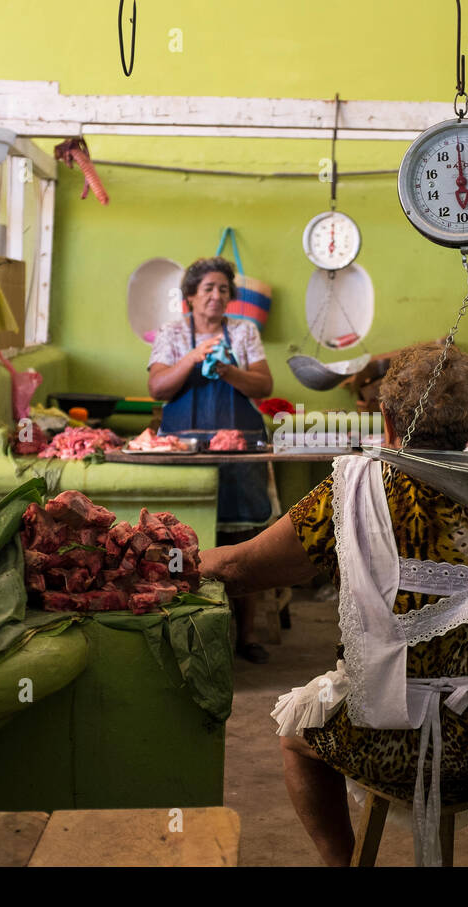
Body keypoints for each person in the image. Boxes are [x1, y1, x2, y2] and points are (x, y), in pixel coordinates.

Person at [200, 342, 468, 865]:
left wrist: (173, 561)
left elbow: (238, 568)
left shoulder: (348, 493)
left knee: (295, 731)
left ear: (388, 421)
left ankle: (341, 861)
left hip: (389, 747)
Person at [148, 257, 276, 663]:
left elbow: (263, 384)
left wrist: (225, 368)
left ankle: (247, 637)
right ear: (190, 296)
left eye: (224, 289)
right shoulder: (171, 334)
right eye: (208, 289)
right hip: (184, 453)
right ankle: (179, 625)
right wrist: (193, 357)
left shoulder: (243, 332)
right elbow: (157, 388)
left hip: (237, 450)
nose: (217, 296)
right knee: (182, 540)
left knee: (245, 542)